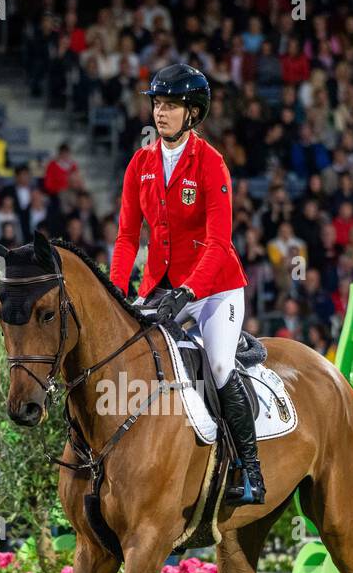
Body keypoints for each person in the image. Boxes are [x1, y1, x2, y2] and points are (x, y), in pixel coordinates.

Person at [109, 63, 262, 504]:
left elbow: (218, 243)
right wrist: (119, 288)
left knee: (217, 366)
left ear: (193, 114)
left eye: (171, 105)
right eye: (157, 103)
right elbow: (125, 237)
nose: (160, 112)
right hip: (160, 286)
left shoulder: (211, 164)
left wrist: (189, 293)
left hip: (214, 289)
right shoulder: (140, 163)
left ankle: (249, 469)